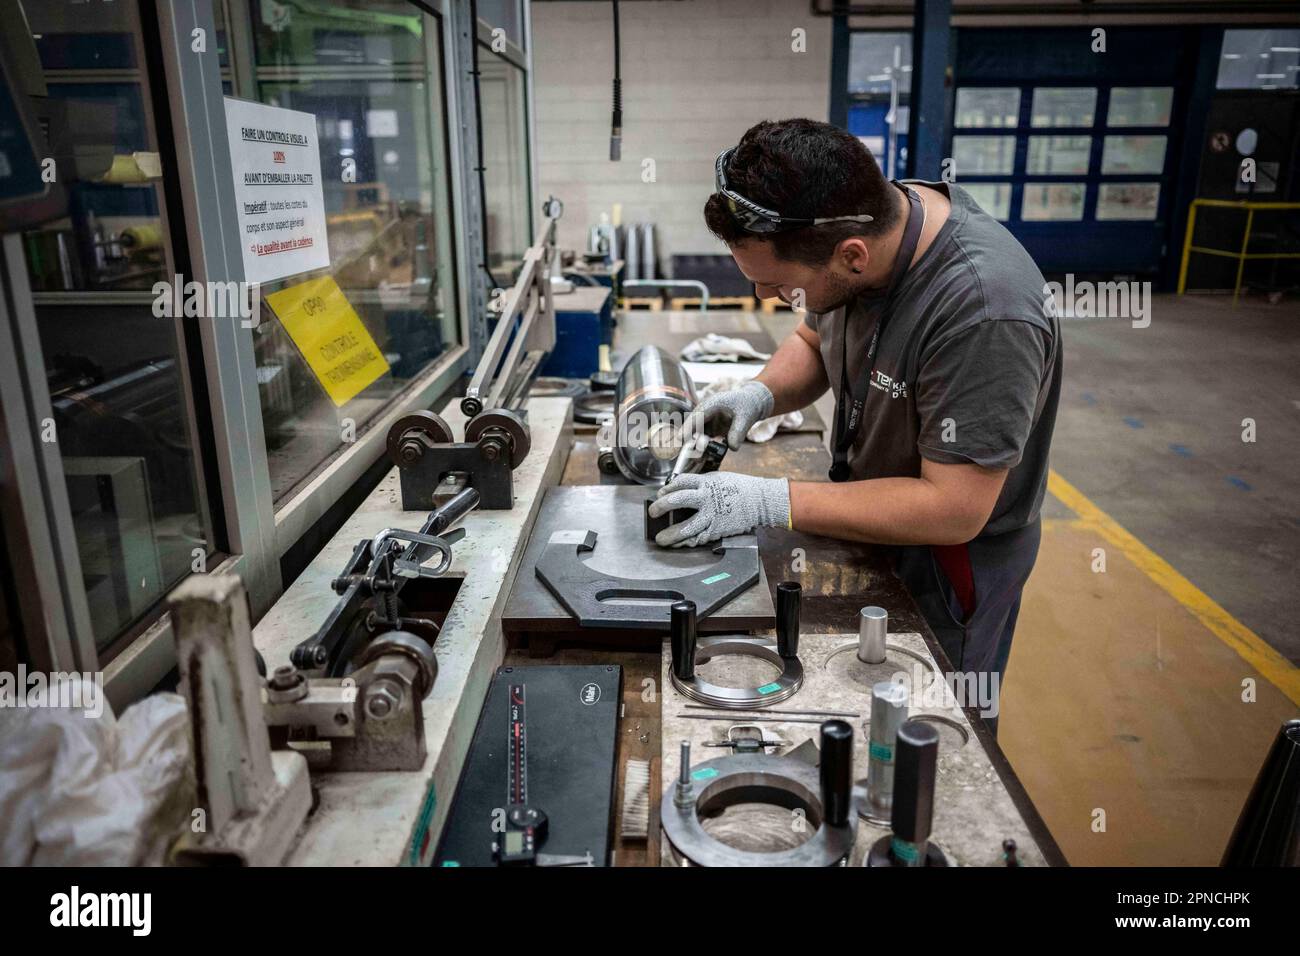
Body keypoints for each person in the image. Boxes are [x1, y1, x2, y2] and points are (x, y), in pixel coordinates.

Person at [648, 119, 1062, 733]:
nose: (768, 296)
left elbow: (953, 509)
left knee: (931, 737)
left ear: (852, 256)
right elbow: (816, 338)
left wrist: (768, 498)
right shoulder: (867, 228)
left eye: (780, 285)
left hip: (947, 561)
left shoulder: (985, 311)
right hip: (869, 515)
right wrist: (760, 393)